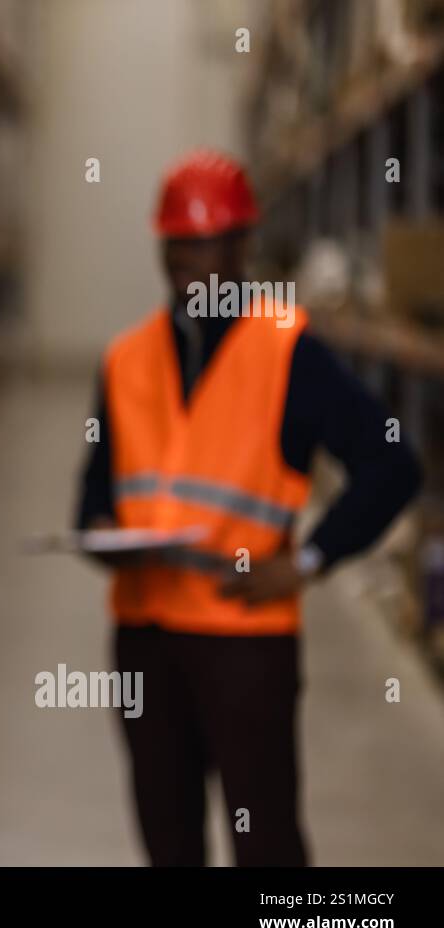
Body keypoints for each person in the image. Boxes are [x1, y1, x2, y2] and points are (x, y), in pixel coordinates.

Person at [75, 149, 423, 866]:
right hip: (144, 635)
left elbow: (393, 466)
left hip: (244, 637)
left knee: (264, 842)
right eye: (175, 244)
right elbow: (95, 487)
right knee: (166, 836)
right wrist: (100, 529)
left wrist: (307, 561)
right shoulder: (126, 358)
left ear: (241, 247)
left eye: (203, 243)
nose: (185, 262)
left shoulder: (289, 352)